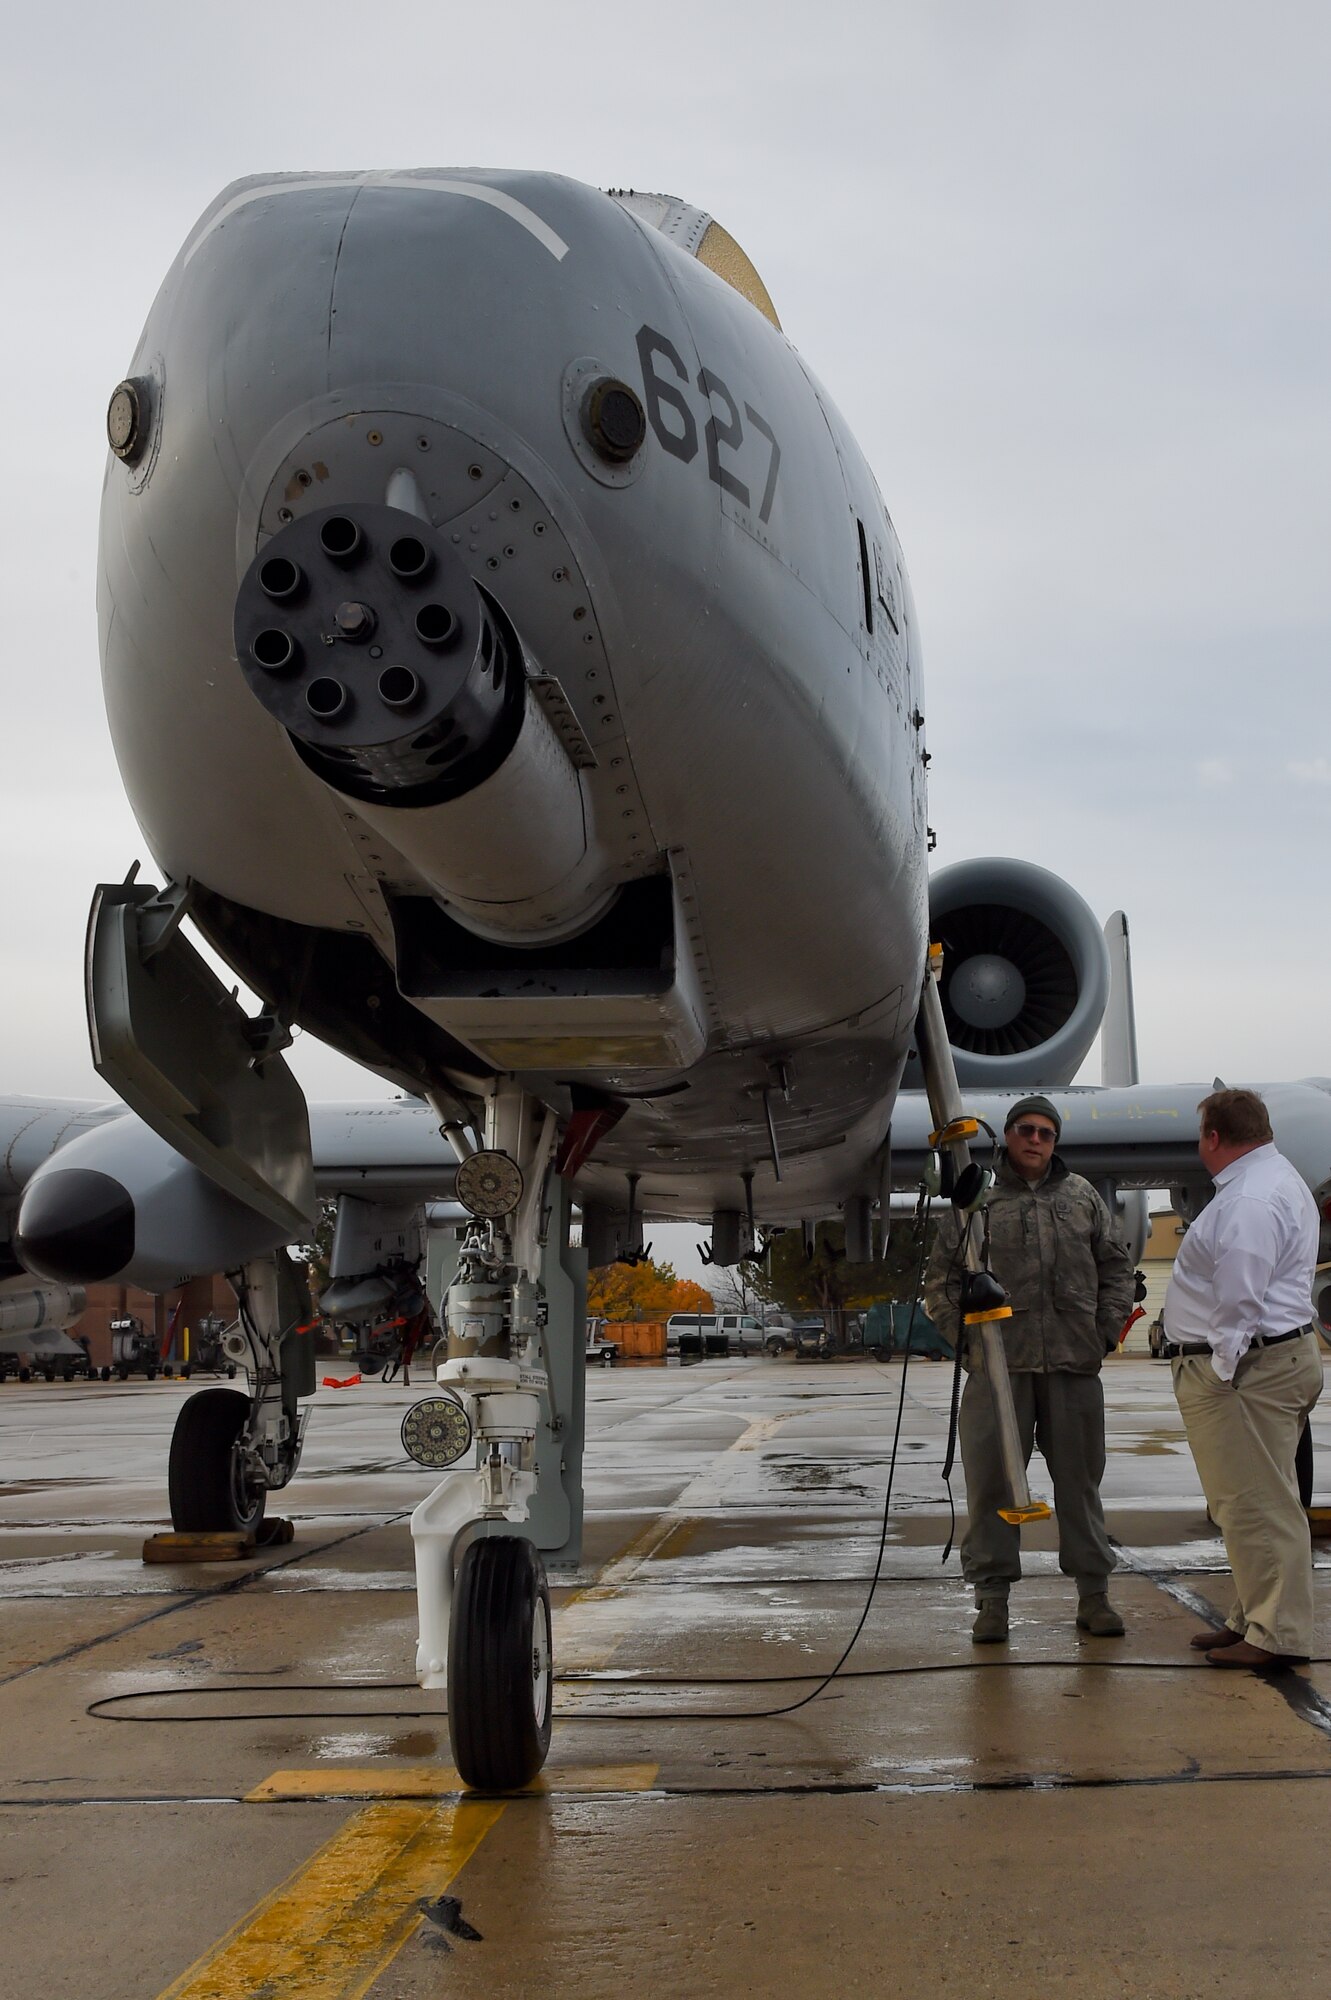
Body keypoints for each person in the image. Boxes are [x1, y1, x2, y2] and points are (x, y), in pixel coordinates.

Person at [924, 1095, 1136, 1644]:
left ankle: (1094, 1595)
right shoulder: (975, 1200)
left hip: (1073, 1364)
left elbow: (1117, 1268)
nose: (1035, 1138)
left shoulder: (1083, 1197)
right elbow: (941, 1284)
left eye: (1045, 1131)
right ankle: (991, 1601)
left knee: (1080, 1483)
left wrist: (1106, 1331)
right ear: (1009, 1136)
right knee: (993, 1485)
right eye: (1024, 1129)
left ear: (1055, 1140)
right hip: (999, 1369)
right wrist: (968, 1345)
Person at [1163, 1088, 1323, 1671]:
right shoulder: (1274, 1179)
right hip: (1269, 1361)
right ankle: (1256, 1613)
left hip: (1246, 1371)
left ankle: (1276, 1633)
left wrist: (1222, 1373)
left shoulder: (1249, 1198)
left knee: (1256, 1504)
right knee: (1251, 1502)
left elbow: (1240, 1298)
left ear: (1213, 1137)